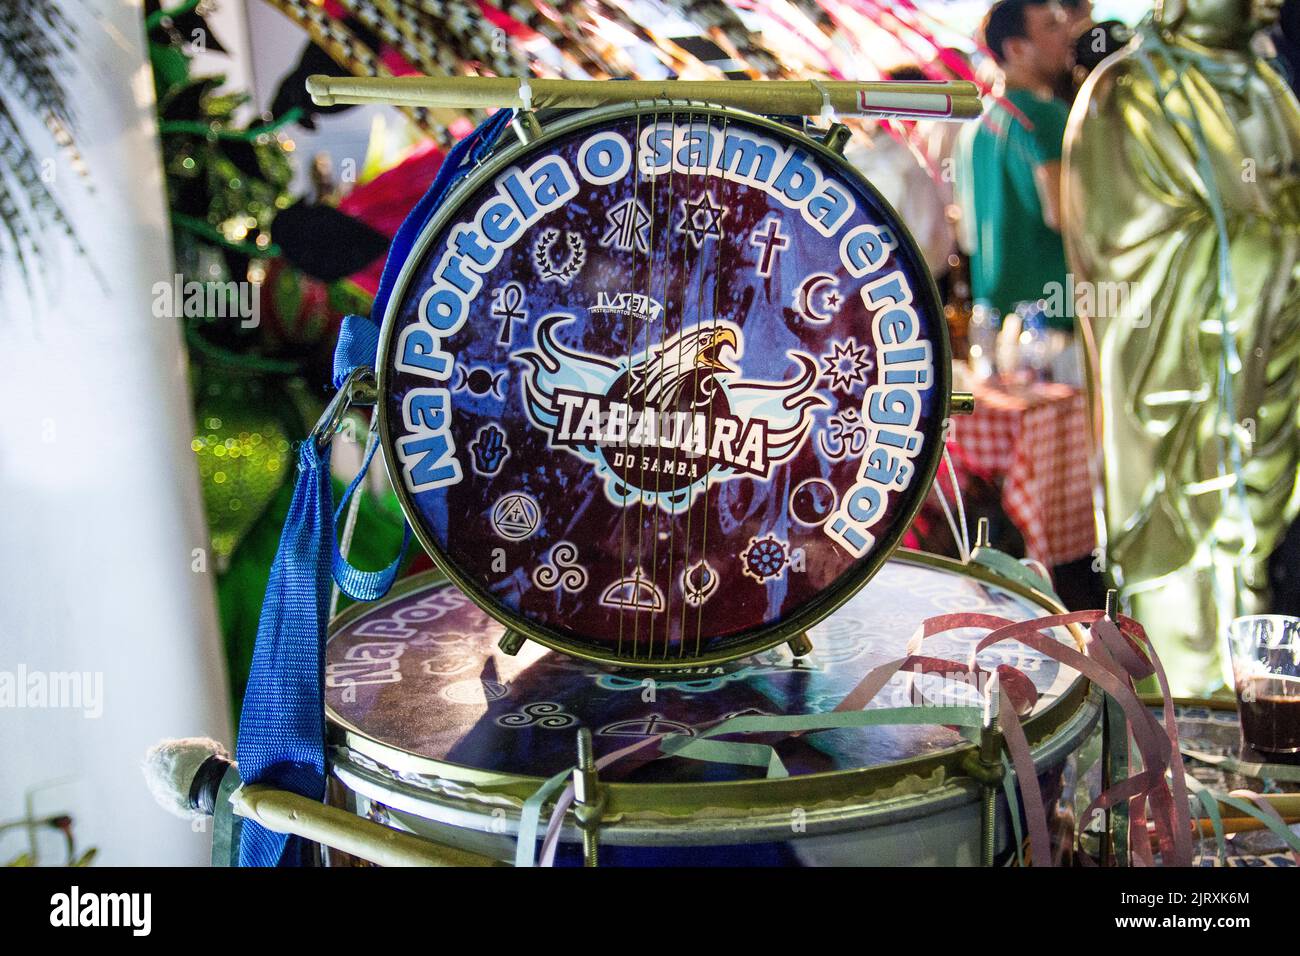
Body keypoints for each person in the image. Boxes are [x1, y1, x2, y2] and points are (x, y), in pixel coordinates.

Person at [1063, 0, 1300, 694]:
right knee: (1179, 568)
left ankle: (1241, 709)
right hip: (1172, 377)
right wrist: (1267, 245)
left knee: (1252, 552)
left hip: (1264, 357)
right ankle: (1177, 723)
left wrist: (1277, 248)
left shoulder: (1267, 87)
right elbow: (1121, 246)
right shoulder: (1128, 91)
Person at [955, 0, 1074, 338]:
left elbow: (965, 234)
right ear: (1016, 48)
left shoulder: (974, 125)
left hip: (995, 323)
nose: (1068, 34)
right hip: (1052, 324)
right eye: (1052, 26)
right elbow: (1062, 213)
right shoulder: (1044, 114)